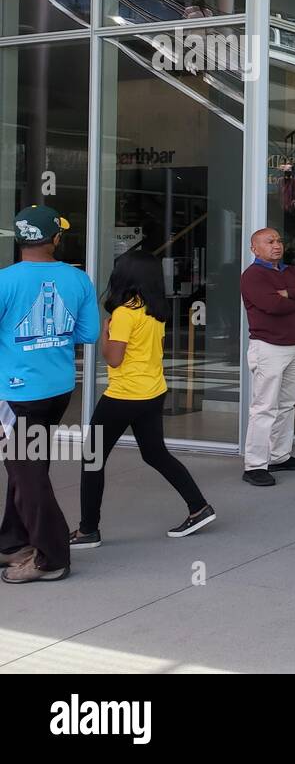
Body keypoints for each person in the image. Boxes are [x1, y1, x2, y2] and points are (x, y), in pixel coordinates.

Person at [70, 252, 215, 550]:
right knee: (155, 454)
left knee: (92, 458)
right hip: (152, 391)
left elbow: (114, 359)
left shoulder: (124, 313)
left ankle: (87, 530)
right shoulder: (154, 310)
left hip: (123, 396)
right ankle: (199, 507)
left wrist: (106, 334)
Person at [0, 206, 99, 583]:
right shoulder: (78, 280)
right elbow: (87, 334)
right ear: (56, 238)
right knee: (27, 468)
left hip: (14, 393)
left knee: (28, 475)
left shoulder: (5, 281)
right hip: (57, 389)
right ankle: (13, 542)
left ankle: (52, 558)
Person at [240, 227, 295, 487]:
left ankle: (279, 455)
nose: (277, 245)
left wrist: (290, 293)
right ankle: (254, 465)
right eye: (269, 241)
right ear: (254, 248)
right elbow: (273, 306)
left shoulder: (290, 271)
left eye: (279, 240)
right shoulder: (252, 276)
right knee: (264, 407)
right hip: (268, 347)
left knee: (287, 404)